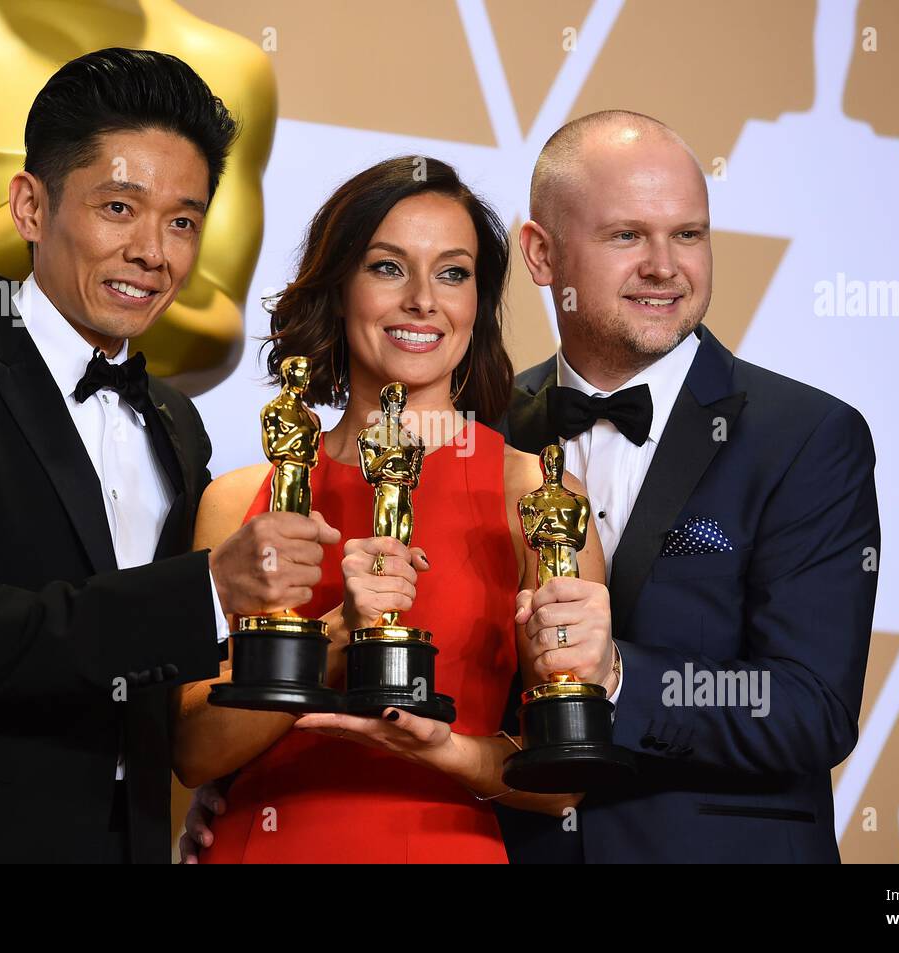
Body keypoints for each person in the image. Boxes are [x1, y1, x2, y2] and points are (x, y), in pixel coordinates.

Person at [0, 49, 331, 864]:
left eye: (183, 221)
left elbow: (146, 680)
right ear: (30, 206)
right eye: (120, 207)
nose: (154, 252)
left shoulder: (177, 425)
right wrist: (208, 589)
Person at [173, 157, 619, 863]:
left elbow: (563, 777)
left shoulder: (533, 496)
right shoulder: (239, 497)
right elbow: (193, 750)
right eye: (387, 267)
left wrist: (451, 751)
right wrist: (335, 637)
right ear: (338, 287)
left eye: (452, 273)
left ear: (479, 301)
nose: (422, 300)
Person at [497, 110, 880, 863]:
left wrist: (620, 678)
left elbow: (810, 707)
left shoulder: (808, 436)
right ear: (542, 255)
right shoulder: (488, 425)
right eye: (627, 235)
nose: (665, 266)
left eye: (688, 234)